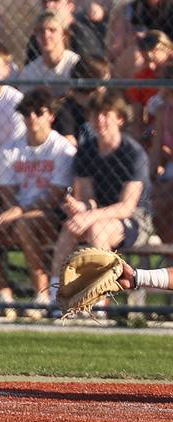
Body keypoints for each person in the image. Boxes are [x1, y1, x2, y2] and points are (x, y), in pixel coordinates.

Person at [0, 88, 75, 313]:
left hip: (52, 215)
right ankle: (5, 296)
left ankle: (42, 295)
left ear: (51, 116)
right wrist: (14, 211)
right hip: (16, 212)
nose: (32, 118)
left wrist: (18, 211)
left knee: (24, 225)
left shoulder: (62, 149)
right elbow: (6, 191)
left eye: (39, 112)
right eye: (27, 113)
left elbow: (56, 196)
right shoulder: (11, 149)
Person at [47, 90, 154, 307]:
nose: (99, 120)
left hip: (135, 220)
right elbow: (88, 198)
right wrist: (80, 207)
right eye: (95, 114)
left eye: (106, 114)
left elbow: (127, 207)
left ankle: (98, 302)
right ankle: (55, 299)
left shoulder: (133, 153)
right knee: (70, 227)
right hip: (97, 216)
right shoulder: (86, 151)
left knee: (98, 230)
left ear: (120, 119)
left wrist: (89, 216)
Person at [107, 0, 173, 78]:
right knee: (137, 53)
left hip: (162, 63)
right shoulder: (130, 10)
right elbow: (114, 51)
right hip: (131, 59)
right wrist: (131, 40)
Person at [25, 0, 105, 65]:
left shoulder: (81, 34)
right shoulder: (37, 36)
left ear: (70, 7)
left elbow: (91, 73)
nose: (48, 5)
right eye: (44, 0)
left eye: (55, 0)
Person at [18, 10, 80, 97]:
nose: (46, 35)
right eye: (40, 30)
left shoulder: (75, 63)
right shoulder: (29, 72)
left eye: (52, 30)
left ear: (64, 34)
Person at [52, 55, 109, 146]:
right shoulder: (66, 110)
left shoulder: (103, 107)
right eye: (104, 83)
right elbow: (69, 142)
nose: (105, 88)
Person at [147, 65, 173, 242]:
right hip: (170, 168)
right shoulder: (163, 110)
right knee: (155, 197)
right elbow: (156, 150)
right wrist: (152, 177)